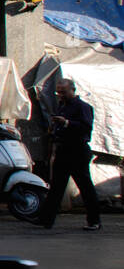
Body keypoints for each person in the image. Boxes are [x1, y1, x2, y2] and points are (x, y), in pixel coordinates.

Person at [37, 78, 102, 230]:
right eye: (58, 92)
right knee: (56, 187)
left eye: (63, 92)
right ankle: (46, 220)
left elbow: (86, 128)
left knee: (85, 187)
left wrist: (66, 123)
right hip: (63, 149)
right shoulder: (62, 105)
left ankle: (94, 221)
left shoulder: (82, 107)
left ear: (72, 90)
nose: (60, 95)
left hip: (77, 150)